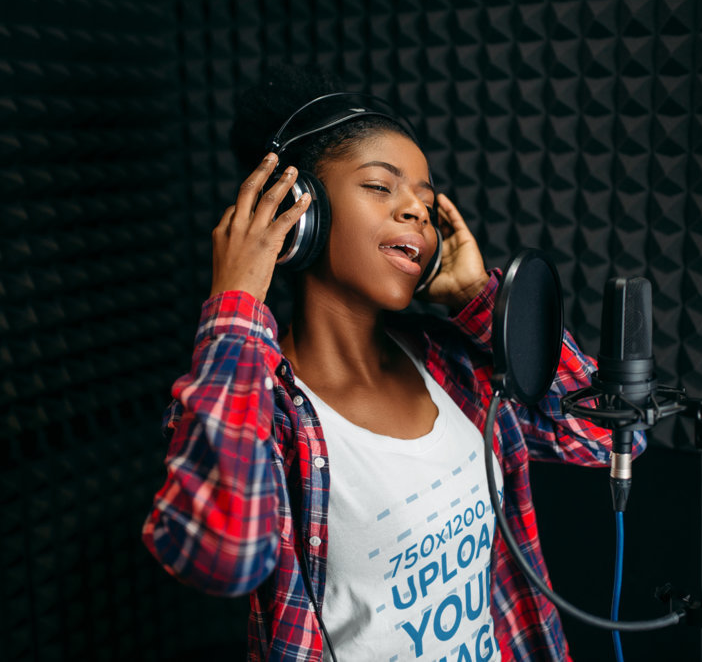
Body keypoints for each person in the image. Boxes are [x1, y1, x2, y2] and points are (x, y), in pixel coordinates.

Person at [142, 64, 645, 662]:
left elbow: (609, 435)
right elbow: (223, 554)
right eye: (381, 187)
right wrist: (236, 308)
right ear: (300, 215)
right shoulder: (267, 409)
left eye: (427, 204)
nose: (417, 213)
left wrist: (478, 302)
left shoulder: (453, 366)